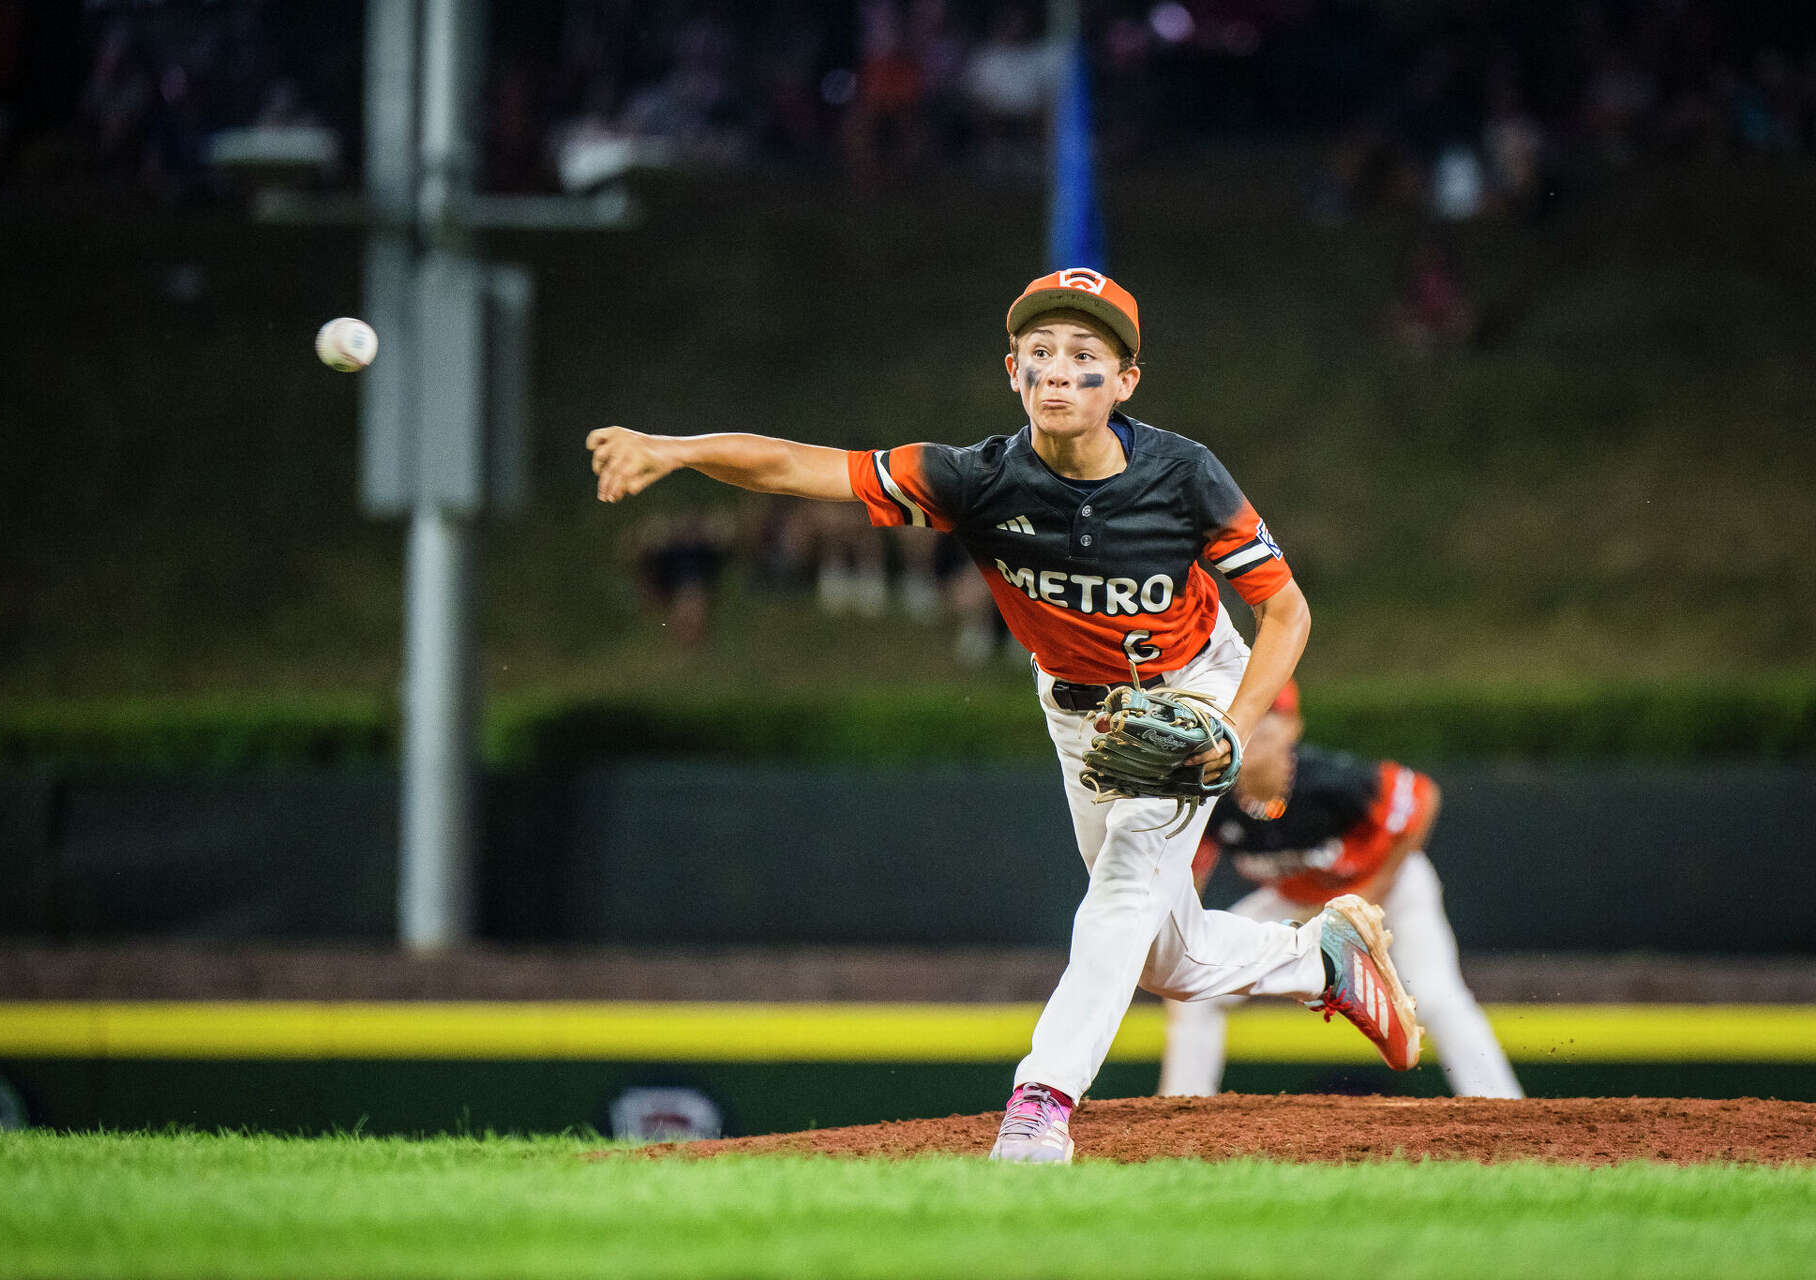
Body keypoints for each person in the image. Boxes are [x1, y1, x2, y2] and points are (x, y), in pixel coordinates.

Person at [586, 268, 1423, 1163]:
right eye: (1041, 354)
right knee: (1160, 957)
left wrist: (1231, 725)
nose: (1059, 372)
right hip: (1081, 715)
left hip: (1193, 688)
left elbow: (1286, 610)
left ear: (1126, 381)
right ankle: (1321, 959)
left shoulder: (1185, 476)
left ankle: (1041, 1101)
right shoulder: (975, 481)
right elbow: (802, 466)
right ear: (1013, 373)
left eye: (1085, 356)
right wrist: (672, 448)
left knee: (1128, 883)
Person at [1160, 680, 1523, 1100]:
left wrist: (1374, 889)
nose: (1256, 726)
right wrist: (1177, 941)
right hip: (1302, 900)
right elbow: (1189, 877)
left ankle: (1502, 1105)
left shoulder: (1327, 780)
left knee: (1436, 995)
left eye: (1269, 714)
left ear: (1292, 726)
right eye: (1245, 715)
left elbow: (1421, 797)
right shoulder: (1212, 797)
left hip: (1393, 892)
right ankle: (1181, 1104)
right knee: (1197, 979)